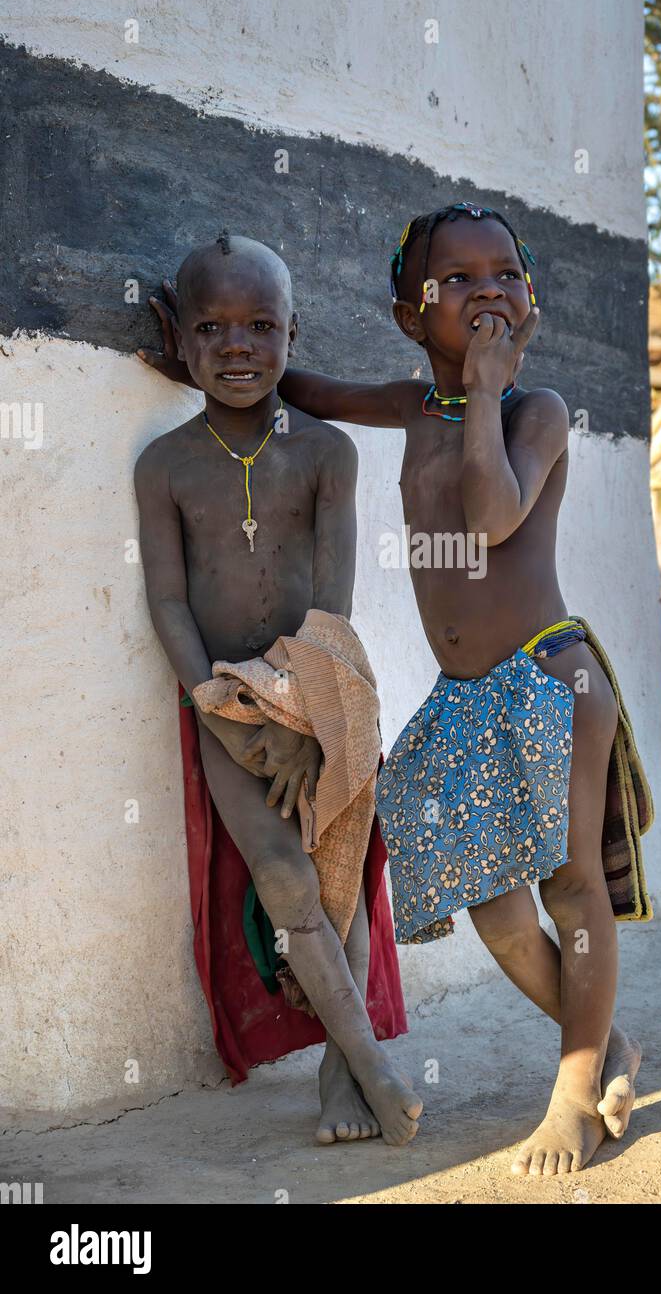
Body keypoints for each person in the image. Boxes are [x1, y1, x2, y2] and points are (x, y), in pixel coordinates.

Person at [135, 234, 422, 1147]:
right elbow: (170, 600)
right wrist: (218, 711)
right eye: (211, 327)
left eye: (261, 325)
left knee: (348, 874)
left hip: (329, 688)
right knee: (286, 875)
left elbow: (333, 609)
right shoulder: (165, 465)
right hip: (223, 706)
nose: (237, 347)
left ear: (294, 333)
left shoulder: (327, 455)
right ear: (175, 337)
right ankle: (375, 1066)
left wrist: (307, 716)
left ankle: (345, 1078)